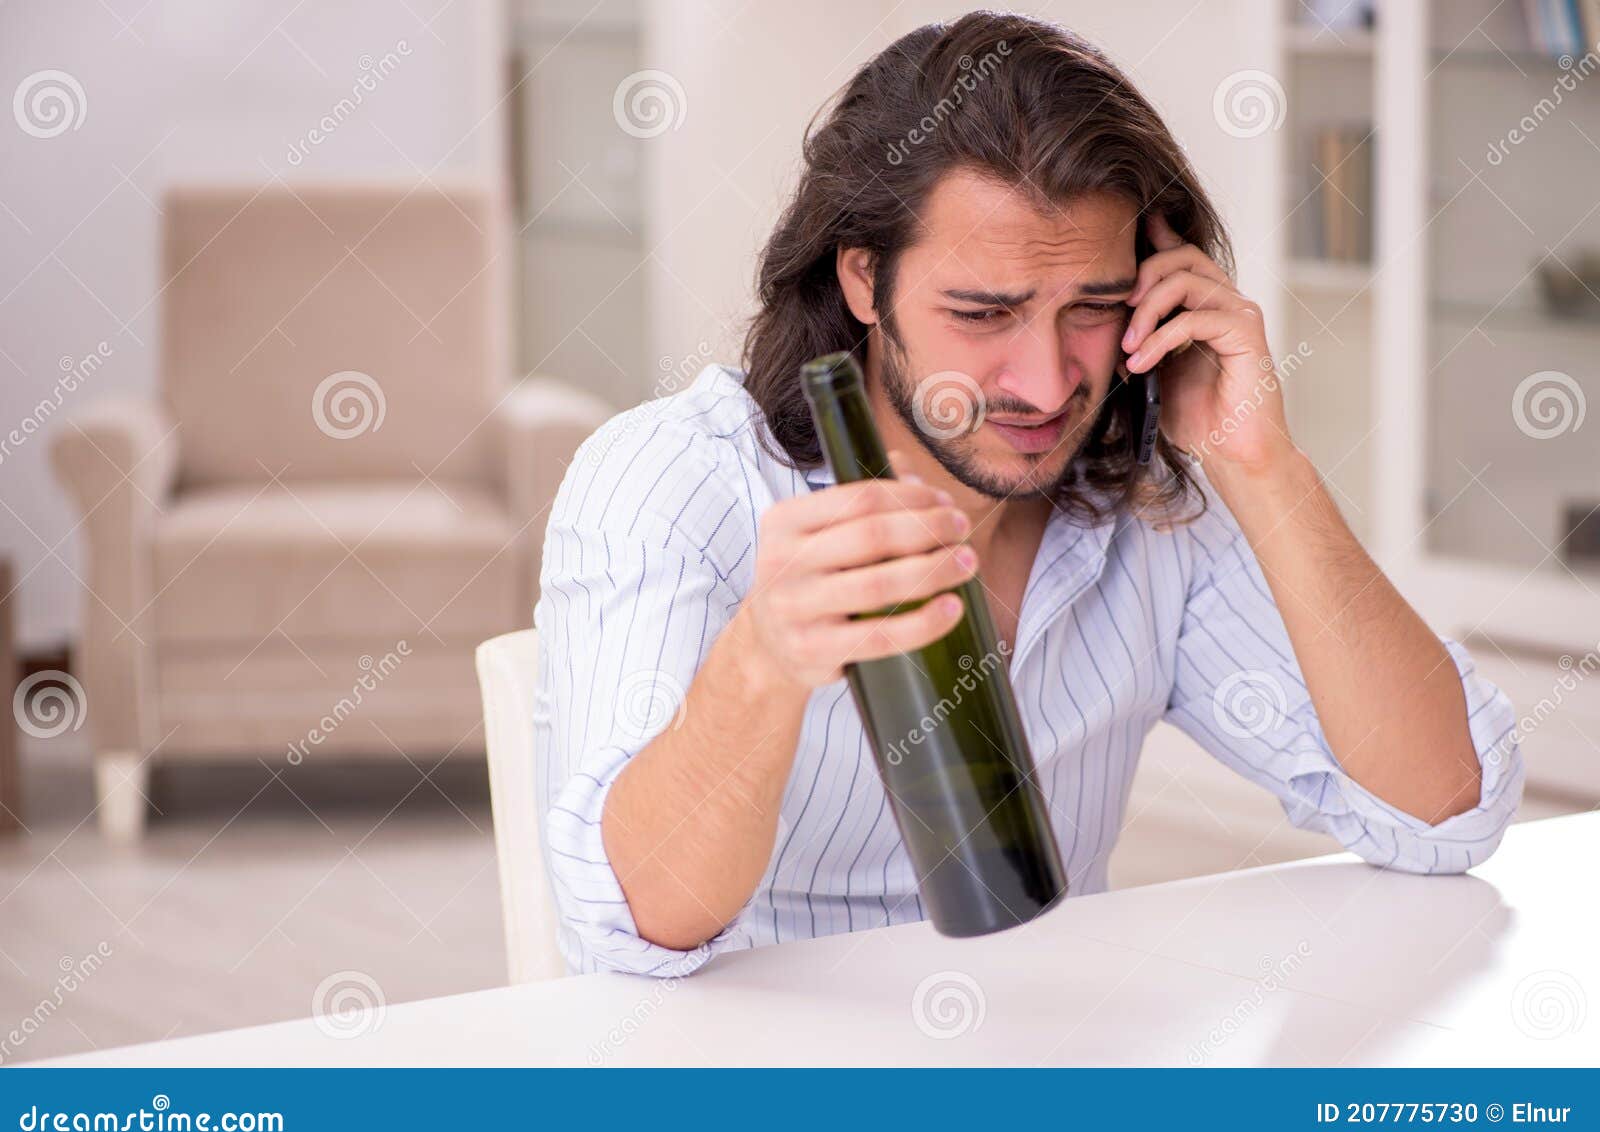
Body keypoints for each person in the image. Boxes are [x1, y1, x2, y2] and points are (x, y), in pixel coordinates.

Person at [532, 11, 1523, 977]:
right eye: (983, 312)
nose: (1046, 385)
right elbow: (630, 928)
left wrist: (1264, 469)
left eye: (1092, 308)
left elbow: (1446, 812)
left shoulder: (1144, 509)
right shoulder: (672, 484)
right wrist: (760, 666)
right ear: (864, 281)